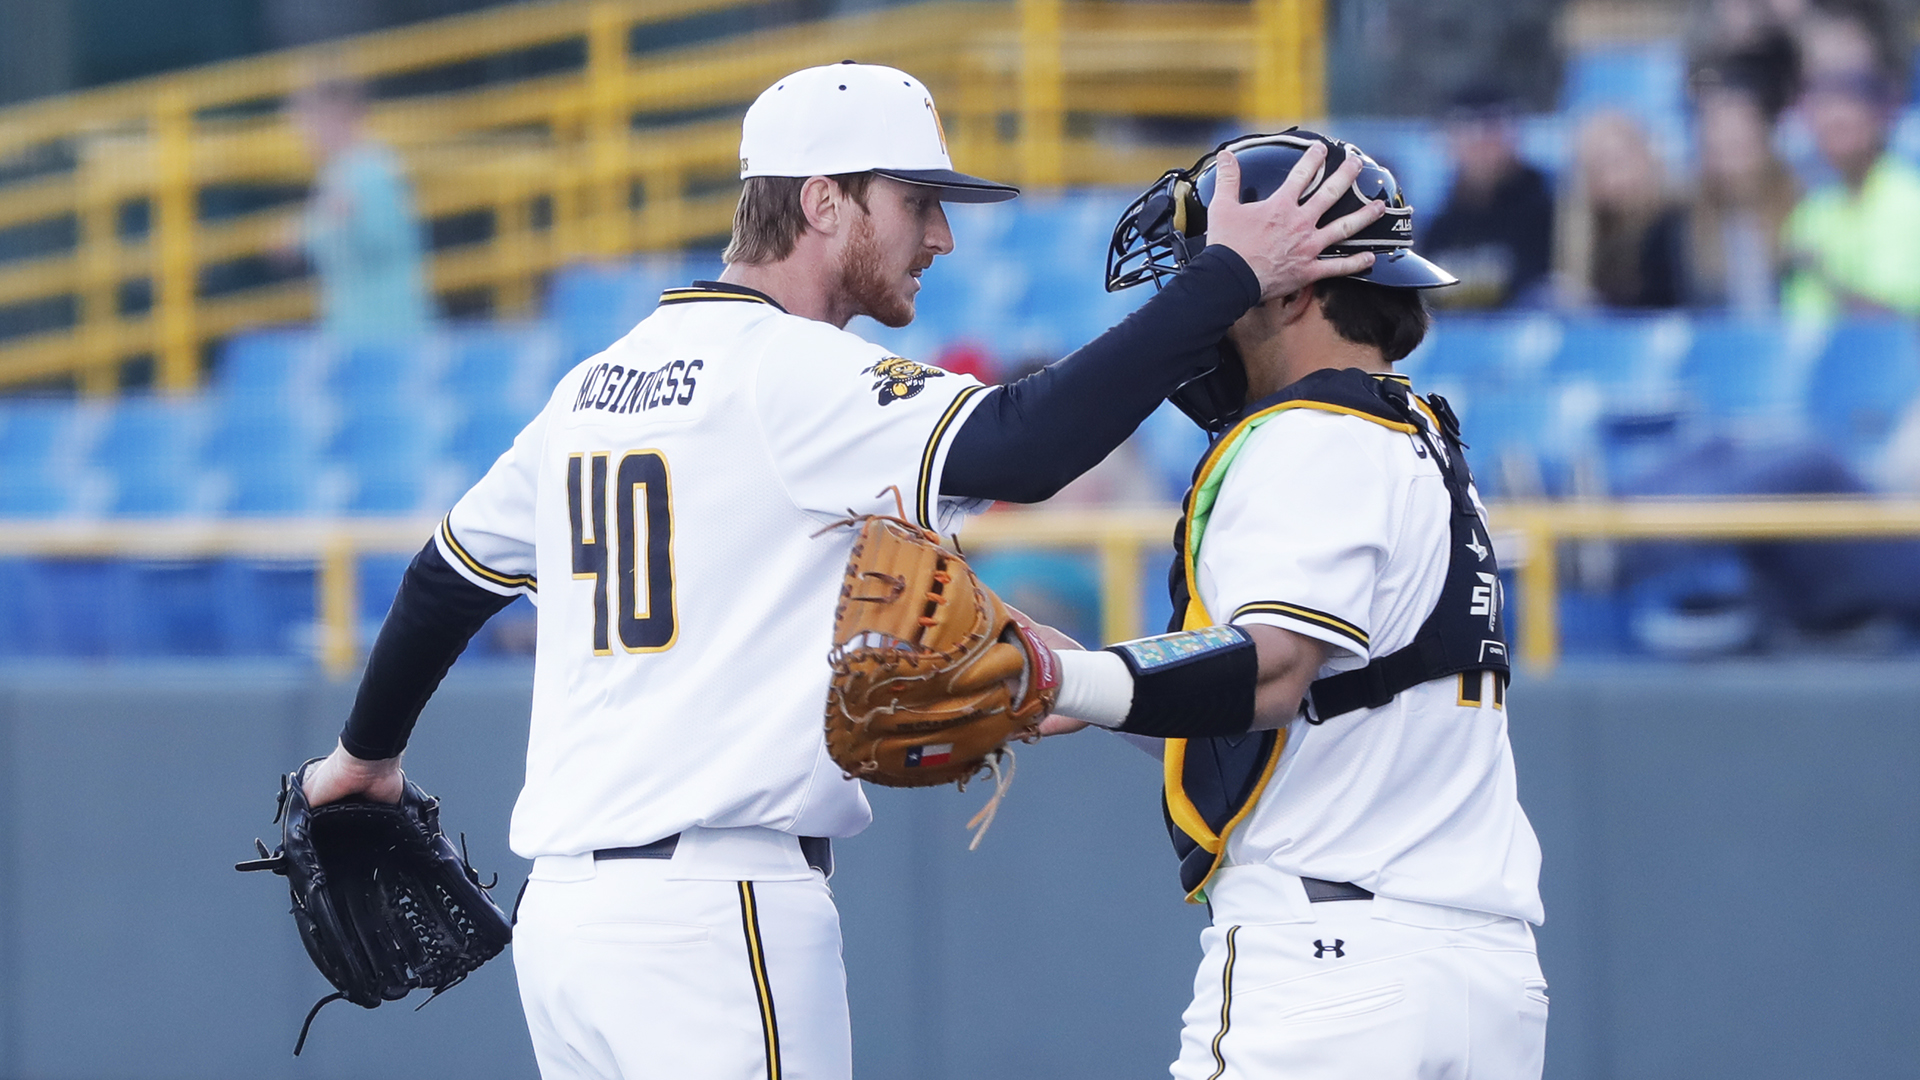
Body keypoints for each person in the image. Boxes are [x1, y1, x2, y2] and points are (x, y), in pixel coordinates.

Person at [290, 63, 1385, 1080]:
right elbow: (1030, 447)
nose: (942, 235)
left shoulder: (592, 387)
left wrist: (363, 756)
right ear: (823, 202)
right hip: (719, 915)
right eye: (916, 201)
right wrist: (1229, 279)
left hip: (570, 936)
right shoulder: (787, 371)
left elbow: (446, 578)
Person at [1038, 131, 1547, 1080]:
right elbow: (1309, 708)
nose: (1192, 310)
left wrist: (1061, 676)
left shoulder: (1310, 432)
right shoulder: (1413, 432)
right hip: (1481, 980)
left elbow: (1272, 671)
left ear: (1290, 290)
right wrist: (1091, 686)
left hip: (1332, 971)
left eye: (1214, 276)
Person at [288, 77, 434, 342]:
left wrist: (350, 219)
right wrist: (299, 238)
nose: (303, 132)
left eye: (308, 121)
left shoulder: (376, 170)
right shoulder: (333, 175)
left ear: (337, 116)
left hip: (390, 327)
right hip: (347, 327)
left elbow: (391, 242)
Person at [1780, 66, 1920, 318]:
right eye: (1825, 130)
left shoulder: (1911, 200)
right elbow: (1802, 314)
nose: (1833, 141)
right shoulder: (1812, 210)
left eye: (1843, 127)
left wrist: (1825, 277)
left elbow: (1898, 319)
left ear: (1876, 123)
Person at [1421, 84, 1556, 309]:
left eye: (1492, 131)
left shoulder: (1553, 215)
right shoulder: (1441, 228)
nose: (1481, 145)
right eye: (1467, 133)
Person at [1688, 69, 1801, 312]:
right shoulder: (1685, 232)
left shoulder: (1803, 215)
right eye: (1718, 151)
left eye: (1739, 148)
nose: (1730, 166)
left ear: (1765, 145)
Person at [1561, 110, 1689, 309]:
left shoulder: (1678, 224)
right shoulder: (1584, 237)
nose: (1612, 177)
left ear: (1645, 157)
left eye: (1619, 161)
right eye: (1599, 166)